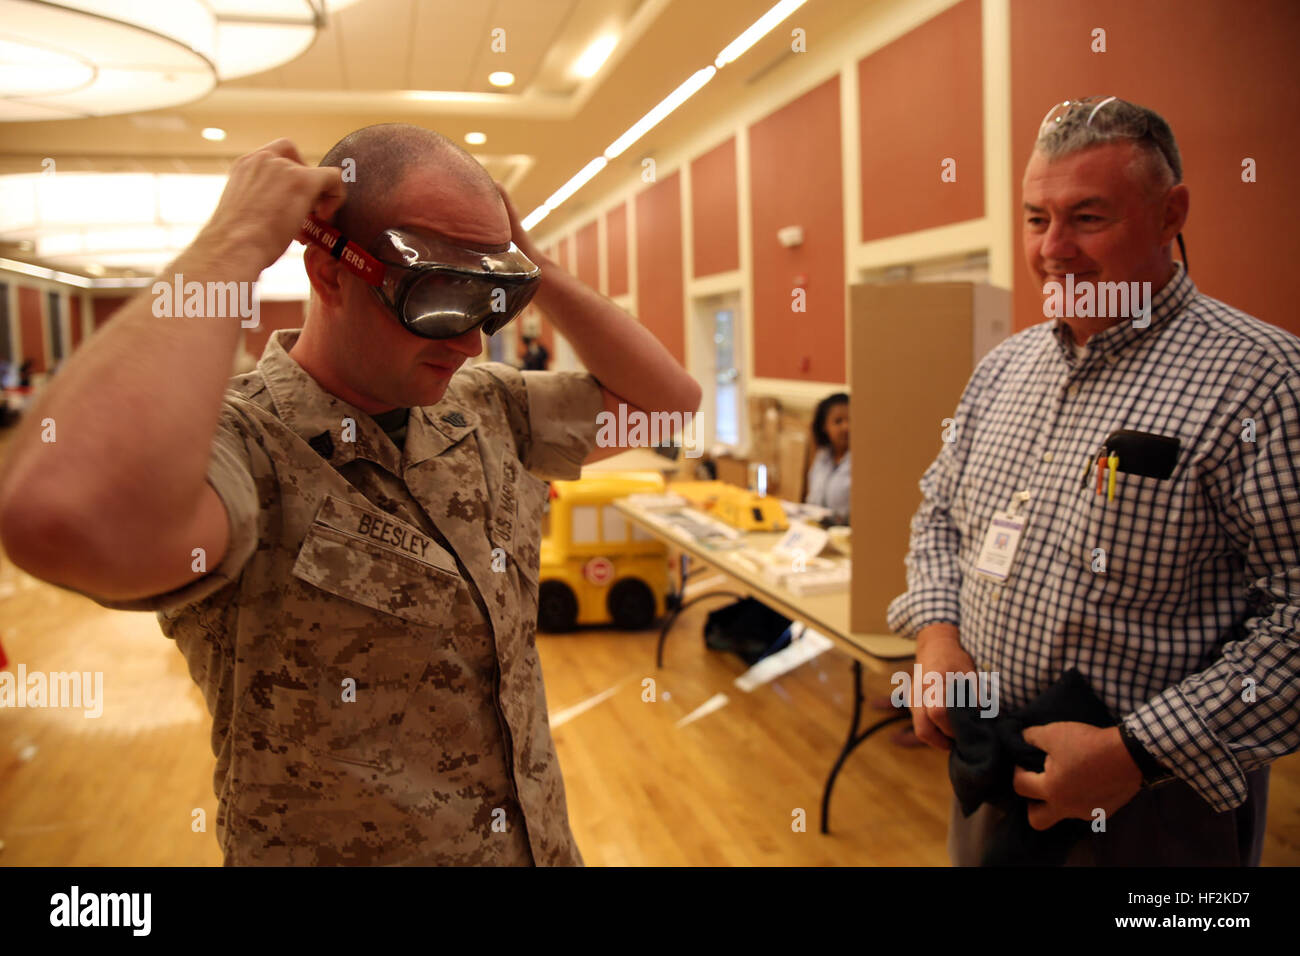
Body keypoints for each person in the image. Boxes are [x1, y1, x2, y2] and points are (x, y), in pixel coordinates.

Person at [0, 124, 701, 866]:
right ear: (331, 272)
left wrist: (538, 267)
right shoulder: (245, 449)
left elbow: (670, 404)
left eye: (493, 301)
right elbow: (60, 514)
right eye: (439, 297)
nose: (470, 341)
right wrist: (234, 241)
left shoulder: (487, 405)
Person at [887, 96, 1299, 865]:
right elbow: (939, 515)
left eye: (1088, 218)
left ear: (1171, 211)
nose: (1054, 249)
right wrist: (938, 636)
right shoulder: (1004, 369)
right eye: (1037, 219)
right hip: (991, 767)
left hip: (1156, 802)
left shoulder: (1260, 379)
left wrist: (1136, 753)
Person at [805, 392, 850, 525]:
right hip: (817, 527)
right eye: (838, 421)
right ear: (824, 426)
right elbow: (812, 500)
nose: (846, 427)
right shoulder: (822, 457)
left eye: (851, 420)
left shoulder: (861, 460)